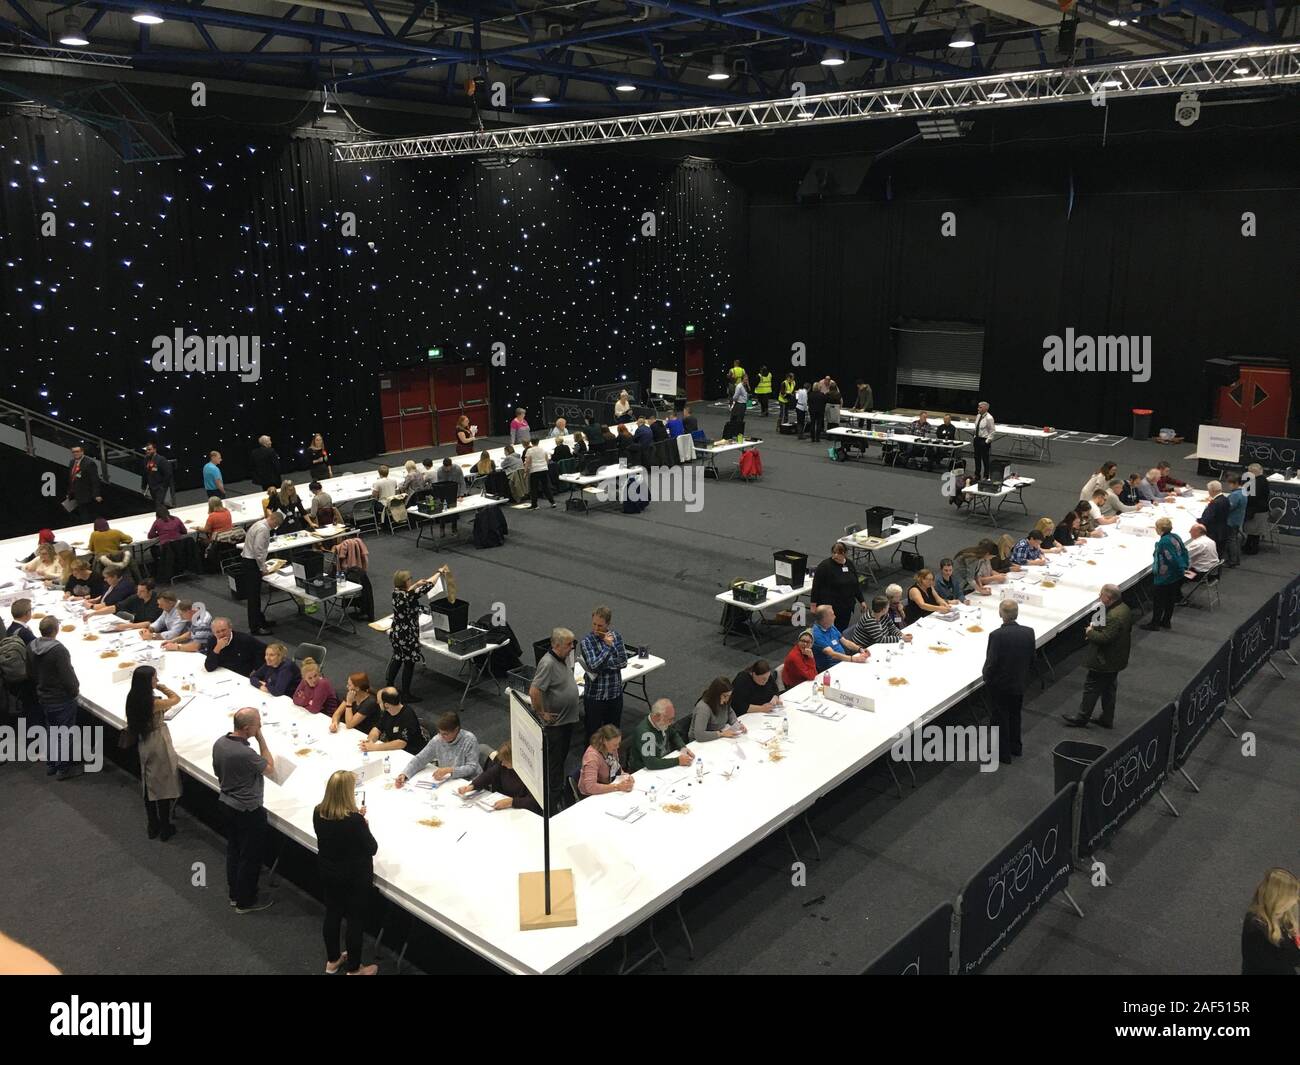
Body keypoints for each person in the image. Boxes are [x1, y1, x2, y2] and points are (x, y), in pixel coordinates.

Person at [313, 771, 379, 976]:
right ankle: (355, 969)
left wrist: (357, 819)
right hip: (354, 877)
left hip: (329, 871)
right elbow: (372, 848)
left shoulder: (318, 811)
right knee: (354, 920)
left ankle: (332, 960)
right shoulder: (354, 821)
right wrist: (363, 824)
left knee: (332, 914)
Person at [213, 707, 275, 913]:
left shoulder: (220, 743)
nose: (260, 727)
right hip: (247, 810)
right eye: (258, 725)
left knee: (234, 850)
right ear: (248, 728)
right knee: (250, 857)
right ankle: (245, 901)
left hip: (226, 803)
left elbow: (217, 771)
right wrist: (261, 740)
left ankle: (235, 893)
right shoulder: (245, 753)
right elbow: (269, 767)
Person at [1063, 584, 1132, 729]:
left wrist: (1089, 632)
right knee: (1109, 689)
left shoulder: (1114, 615)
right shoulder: (1123, 608)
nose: (1099, 597)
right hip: (1117, 657)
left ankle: (1081, 718)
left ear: (1107, 598)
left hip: (1105, 660)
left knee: (1092, 687)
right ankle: (1107, 718)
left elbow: (1104, 638)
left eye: (1101, 595)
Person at [125, 666, 181, 841]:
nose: (156, 680)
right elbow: (175, 699)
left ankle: (152, 824)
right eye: (155, 678)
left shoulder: (133, 697)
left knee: (148, 786)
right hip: (158, 742)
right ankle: (164, 826)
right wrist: (161, 687)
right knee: (162, 787)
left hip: (144, 741)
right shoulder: (154, 703)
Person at [529, 627, 582, 813]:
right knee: (554, 765)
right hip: (556, 727)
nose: (572, 647)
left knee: (560, 761)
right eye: (569, 644)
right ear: (557, 645)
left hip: (566, 723)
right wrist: (542, 713)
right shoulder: (548, 663)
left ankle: (556, 796)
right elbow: (535, 691)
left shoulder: (563, 658)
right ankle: (551, 805)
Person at [27, 616, 83, 779]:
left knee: (52, 731)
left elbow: (30, 672)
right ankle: (63, 769)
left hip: (44, 696)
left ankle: (52, 764)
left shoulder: (31, 646)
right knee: (65, 733)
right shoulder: (58, 650)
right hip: (61, 698)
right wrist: (74, 692)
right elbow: (68, 677)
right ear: (56, 630)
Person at [981, 599, 1035, 763]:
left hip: (1000, 685)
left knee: (1000, 718)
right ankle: (1015, 747)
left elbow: (991, 662)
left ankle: (1002, 753)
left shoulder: (997, 635)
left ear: (1000, 613)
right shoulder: (1029, 632)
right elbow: (1032, 658)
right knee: (1015, 715)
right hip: (1018, 682)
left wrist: (987, 678)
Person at [386, 569, 439, 703]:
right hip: (407, 635)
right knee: (409, 663)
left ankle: (389, 685)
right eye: (410, 578)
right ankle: (406, 694)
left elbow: (411, 591)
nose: (412, 580)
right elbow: (428, 586)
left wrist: (415, 584)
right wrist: (439, 572)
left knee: (397, 657)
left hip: (396, 632)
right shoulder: (409, 596)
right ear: (405, 581)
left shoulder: (396, 593)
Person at [394, 710, 480, 786]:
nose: (442, 737)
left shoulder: (469, 740)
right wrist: (405, 774)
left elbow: (471, 768)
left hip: (470, 782)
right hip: (449, 781)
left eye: (445, 734)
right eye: (440, 733)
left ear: (456, 730)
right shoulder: (438, 740)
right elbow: (420, 759)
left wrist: (450, 770)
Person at [578, 606, 627, 738]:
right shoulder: (586, 642)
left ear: (608, 624)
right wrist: (607, 647)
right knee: (593, 735)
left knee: (613, 734)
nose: (596, 628)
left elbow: (623, 662)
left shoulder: (616, 636)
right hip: (595, 697)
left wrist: (602, 665)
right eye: (594, 624)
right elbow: (593, 666)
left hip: (614, 694)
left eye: (600, 625)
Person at [1241, 868, 1300, 975]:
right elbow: (1293, 957)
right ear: (1279, 900)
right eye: (1290, 899)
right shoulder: (1258, 929)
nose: (1294, 901)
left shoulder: (1266, 912)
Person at [459, 741, 541, 813]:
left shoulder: (532, 774)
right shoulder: (503, 766)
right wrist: (472, 786)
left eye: (505, 761)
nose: (502, 764)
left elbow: (534, 802)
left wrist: (512, 802)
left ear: (515, 760)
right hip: (502, 805)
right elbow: (489, 775)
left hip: (521, 811)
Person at [237, 510, 281, 635]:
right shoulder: (263, 530)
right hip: (252, 564)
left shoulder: (259, 523)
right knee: (253, 598)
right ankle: (255, 627)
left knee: (255, 596)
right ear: (273, 520)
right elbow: (259, 551)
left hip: (249, 560)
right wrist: (263, 568)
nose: (275, 527)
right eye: (275, 525)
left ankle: (260, 621)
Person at [1145, 517, 1190, 631]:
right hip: (1176, 575)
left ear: (1160, 529)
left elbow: (1171, 558)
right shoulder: (1175, 536)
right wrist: (1184, 566)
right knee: (1170, 600)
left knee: (1159, 601)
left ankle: (1155, 623)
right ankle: (1166, 621)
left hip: (1166, 576)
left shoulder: (1164, 542)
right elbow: (1184, 551)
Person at [811, 541, 866, 632]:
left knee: (841, 630)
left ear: (845, 553)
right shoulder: (825, 566)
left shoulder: (849, 564)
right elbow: (816, 586)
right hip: (831, 606)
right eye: (834, 553)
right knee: (828, 630)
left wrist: (862, 600)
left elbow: (855, 584)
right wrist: (813, 605)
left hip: (846, 605)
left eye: (839, 553)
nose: (835, 555)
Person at [626, 698, 695, 771]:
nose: (671, 722)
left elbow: (673, 734)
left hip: (662, 761)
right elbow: (651, 763)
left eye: (672, 719)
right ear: (656, 717)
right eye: (669, 719)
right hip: (645, 771)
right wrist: (677, 761)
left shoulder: (662, 723)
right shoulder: (645, 734)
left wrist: (682, 747)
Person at [360, 688, 426, 753]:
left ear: (386, 705)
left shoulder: (408, 715)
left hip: (412, 753)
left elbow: (401, 743)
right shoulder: (387, 712)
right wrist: (370, 741)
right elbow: (377, 728)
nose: (377, 702)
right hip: (395, 751)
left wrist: (374, 747)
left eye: (379, 701)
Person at [810, 604, 870, 672]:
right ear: (825, 618)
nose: (835, 616)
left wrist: (860, 649)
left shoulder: (831, 627)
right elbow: (832, 654)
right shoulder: (816, 634)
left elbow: (845, 642)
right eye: (832, 614)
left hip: (843, 662)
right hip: (830, 669)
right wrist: (853, 659)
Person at [579, 726, 634, 797]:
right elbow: (590, 787)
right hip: (591, 794)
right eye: (615, 745)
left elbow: (617, 768)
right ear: (604, 741)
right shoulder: (592, 757)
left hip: (609, 783)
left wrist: (626, 776)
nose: (617, 747)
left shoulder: (611, 749)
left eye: (618, 743)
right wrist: (617, 787)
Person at [690, 676, 744, 741]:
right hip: (699, 742)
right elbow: (699, 735)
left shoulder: (724, 700)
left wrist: (737, 724)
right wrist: (721, 734)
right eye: (725, 696)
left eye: (729, 696)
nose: (727, 699)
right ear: (716, 694)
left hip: (717, 736)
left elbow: (729, 712)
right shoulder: (703, 708)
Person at [64, 444, 104, 519]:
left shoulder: (89, 463)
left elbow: (95, 480)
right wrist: (69, 492)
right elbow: (72, 479)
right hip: (75, 494)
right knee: (80, 515)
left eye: (77, 451)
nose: (75, 453)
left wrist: (96, 494)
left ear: (82, 452)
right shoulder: (72, 462)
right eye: (73, 452)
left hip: (87, 495)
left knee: (87, 516)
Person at [1243, 463, 1271, 554]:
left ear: (1253, 472)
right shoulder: (1263, 480)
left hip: (1257, 510)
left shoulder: (1256, 482)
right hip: (1261, 509)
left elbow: (1253, 497)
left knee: (1254, 531)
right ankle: (1248, 545)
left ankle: (1253, 549)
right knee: (1253, 531)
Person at [1198, 480, 1230, 557]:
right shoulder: (1225, 499)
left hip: (1214, 532)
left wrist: (1199, 521)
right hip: (1223, 529)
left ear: (1212, 491)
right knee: (1219, 551)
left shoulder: (1215, 503)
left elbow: (1207, 519)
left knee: (1213, 553)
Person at [524, 439, 556, 509]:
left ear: (531, 443)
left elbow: (527, 461)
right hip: (543, 469)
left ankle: (535, 505)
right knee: (546, 487)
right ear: (538, 442)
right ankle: (552, 502)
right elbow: (547, 459)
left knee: (534, 488)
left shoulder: (529, 450)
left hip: (535, 470)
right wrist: (544, 466)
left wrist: (525, 471)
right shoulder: (542, 449)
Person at [1224, 473, 1247, 568]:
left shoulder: (1235, 495)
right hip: (1238, 520)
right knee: (1234, 540)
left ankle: (1232, 561)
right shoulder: (1243, 492)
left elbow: (1228, 507)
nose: (1228, 486)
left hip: (1231, 521)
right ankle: (1235, 559)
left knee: (1231, 541)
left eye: (1230, 484)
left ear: (1235, 483)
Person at [140, 441, 174, 506]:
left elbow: (168, 473)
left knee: (159, 504)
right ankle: (163, 515)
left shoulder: (161, 459)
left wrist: (163, 486)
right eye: (146, 450)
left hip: (160, 487)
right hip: (152, 488)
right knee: (157, 505)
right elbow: (144, 474)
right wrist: (143, 486)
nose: (147, 451)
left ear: (155, 449)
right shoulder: (146, 460)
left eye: (149, 449)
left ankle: (163, 515)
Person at [970, 401, 995, 481]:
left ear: (985, 408)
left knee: (985, 459)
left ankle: (986, 476)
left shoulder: (989, 418)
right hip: (977, 439)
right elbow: (976, 427)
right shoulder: (978, 416)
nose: (978, 408)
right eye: (978, 407)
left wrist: (987, 441)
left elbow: (992, 431)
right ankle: (977, 475)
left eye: (980, 407)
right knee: (976, 458)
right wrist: (974, 436)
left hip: (984, 441)